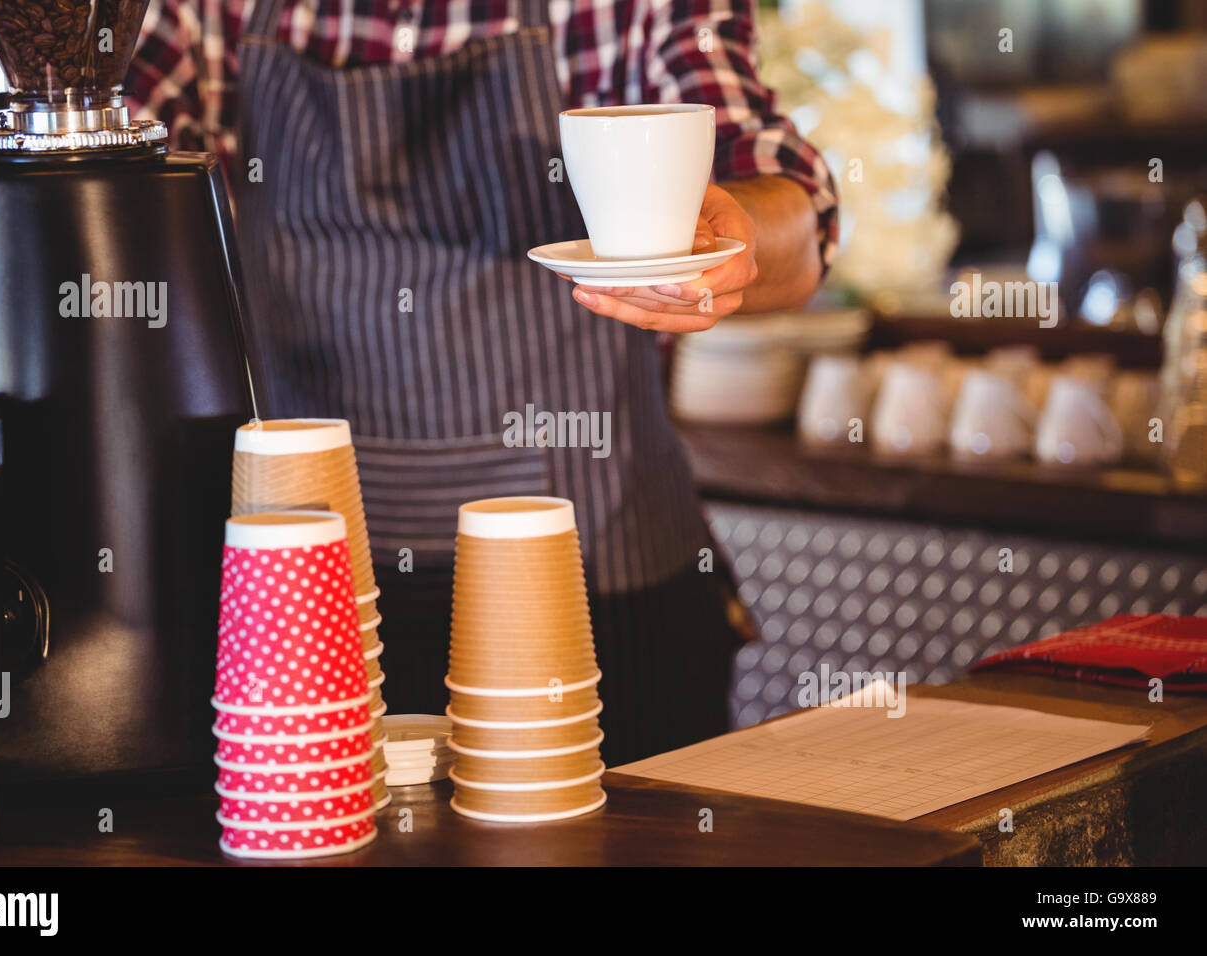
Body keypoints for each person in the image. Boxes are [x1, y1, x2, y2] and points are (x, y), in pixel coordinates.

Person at [129, 0, 838, 766]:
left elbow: (787, 206)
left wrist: (739, 239)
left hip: (600, 591)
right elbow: (105, 183)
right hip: (300, 585)